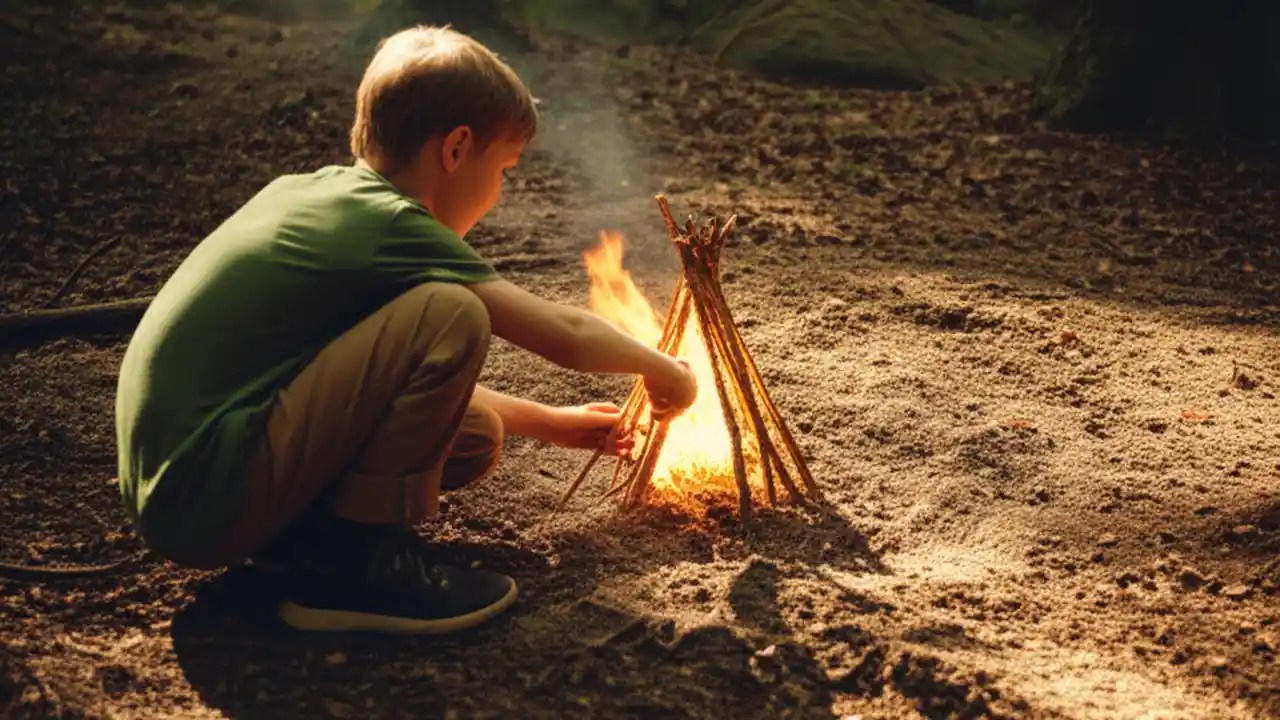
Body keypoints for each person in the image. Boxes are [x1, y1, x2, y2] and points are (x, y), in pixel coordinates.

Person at [114, 26, 696, 635]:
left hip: (189, 487)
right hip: (206, 491)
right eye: (504, 170)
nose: (500, 192)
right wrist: (664, 371)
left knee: (472, 435)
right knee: (453, 311)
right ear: (455, 148)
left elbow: (367, 383)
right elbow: (564, 332)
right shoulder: (389, 222)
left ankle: (304, 545)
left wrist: (553, 424)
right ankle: (350, 570)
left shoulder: (319, 197)